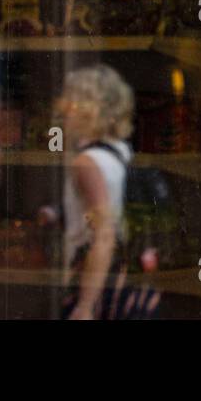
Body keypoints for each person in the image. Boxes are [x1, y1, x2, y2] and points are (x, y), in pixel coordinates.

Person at [54, 65, 155, 320]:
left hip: (98, 281)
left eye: (71, 103)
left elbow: (103, 235)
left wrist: (86, 305)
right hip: (127, 280)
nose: (63, 109)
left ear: (88, 110)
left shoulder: (87, 163)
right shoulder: (121, 152)